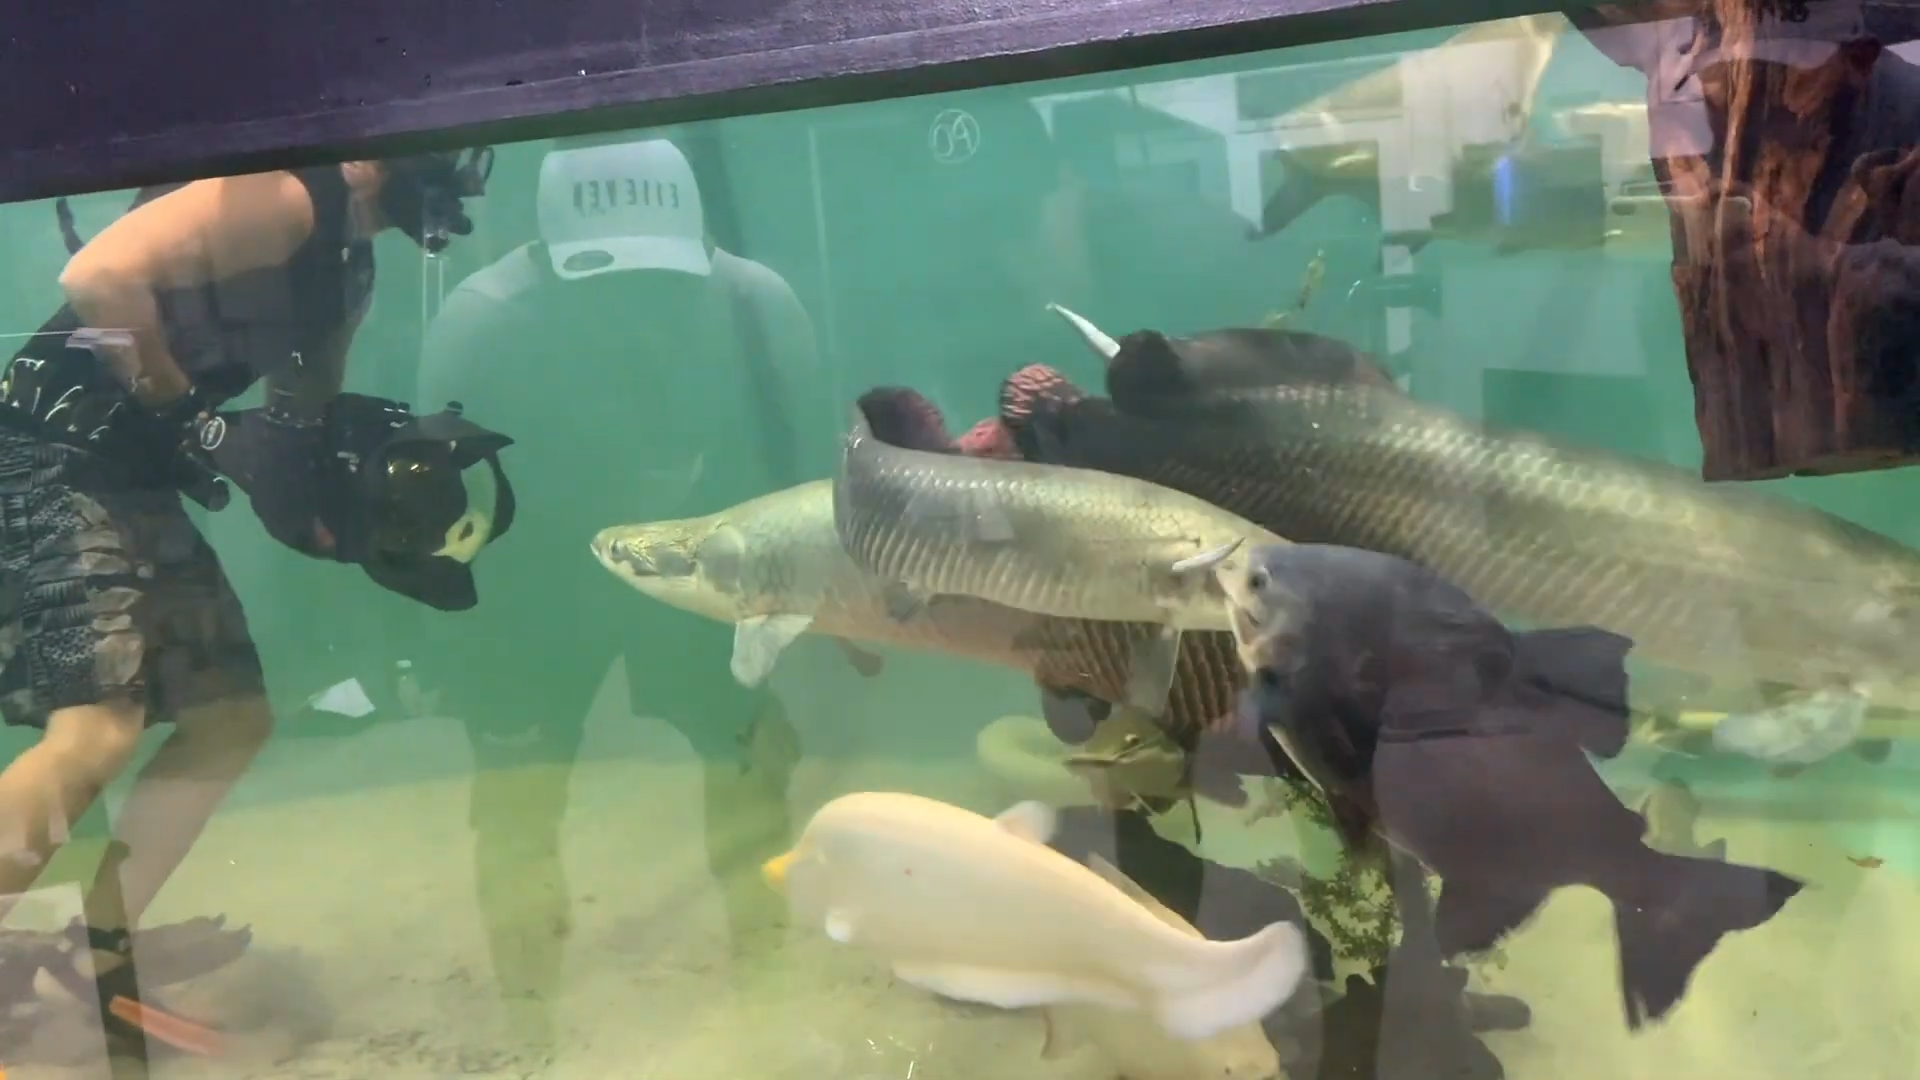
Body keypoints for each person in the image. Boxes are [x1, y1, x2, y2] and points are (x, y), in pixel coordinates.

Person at [0, 150, 497, 1042]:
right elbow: (98, 274)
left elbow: (294, 433)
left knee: (230, 715)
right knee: (98, 727)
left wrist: (337, 507)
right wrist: (185, 411)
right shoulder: (290, 195)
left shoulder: (348, 271)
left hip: (129, 475)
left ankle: (95, 960)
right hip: (44, 451)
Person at [413, 132, 829, 1054]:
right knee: (518, 798)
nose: (636, 310)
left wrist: (805, 596)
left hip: (708, 566)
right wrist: (454, 642)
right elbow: (439, 506)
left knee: (752, 764)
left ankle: (765, 979)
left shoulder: (757, 304)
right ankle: (529, 1021)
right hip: (535, 582)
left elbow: (801, 469)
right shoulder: (482, 319)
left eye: (655, 286)